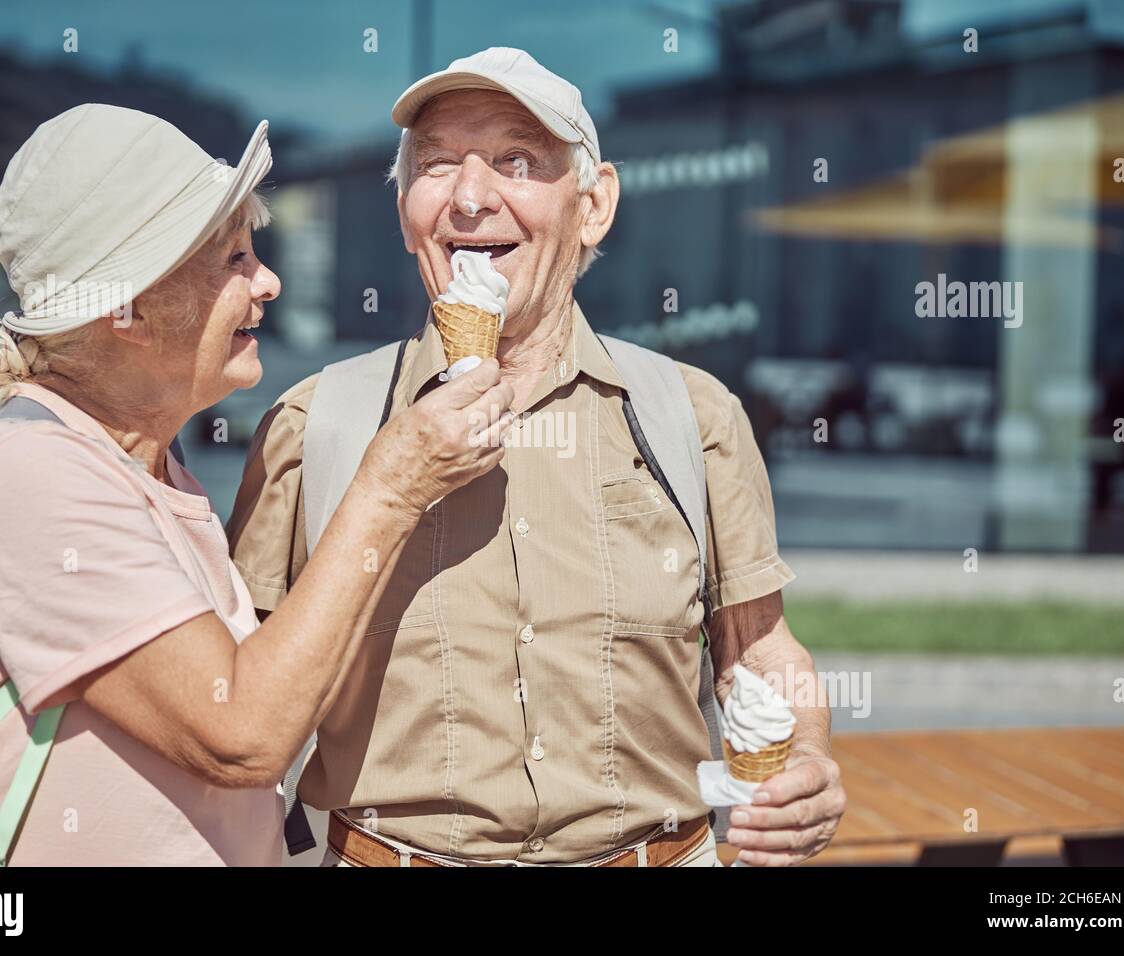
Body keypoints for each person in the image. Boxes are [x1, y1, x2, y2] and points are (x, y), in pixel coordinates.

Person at [229, 48, 845, 867]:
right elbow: (240, 706)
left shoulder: (691, 416)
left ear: (594, 206)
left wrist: (802, 757)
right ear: (406, 208)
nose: (472, 198)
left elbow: (760, 650)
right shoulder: (314, 425)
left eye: (516, 162)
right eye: (438, 164)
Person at [0, 103, 511, 865]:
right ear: (128, 308)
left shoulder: (142, 463)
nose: (266, 281)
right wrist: (393, 485)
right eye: (234, 259)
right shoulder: (27, 473)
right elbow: (240, 734)